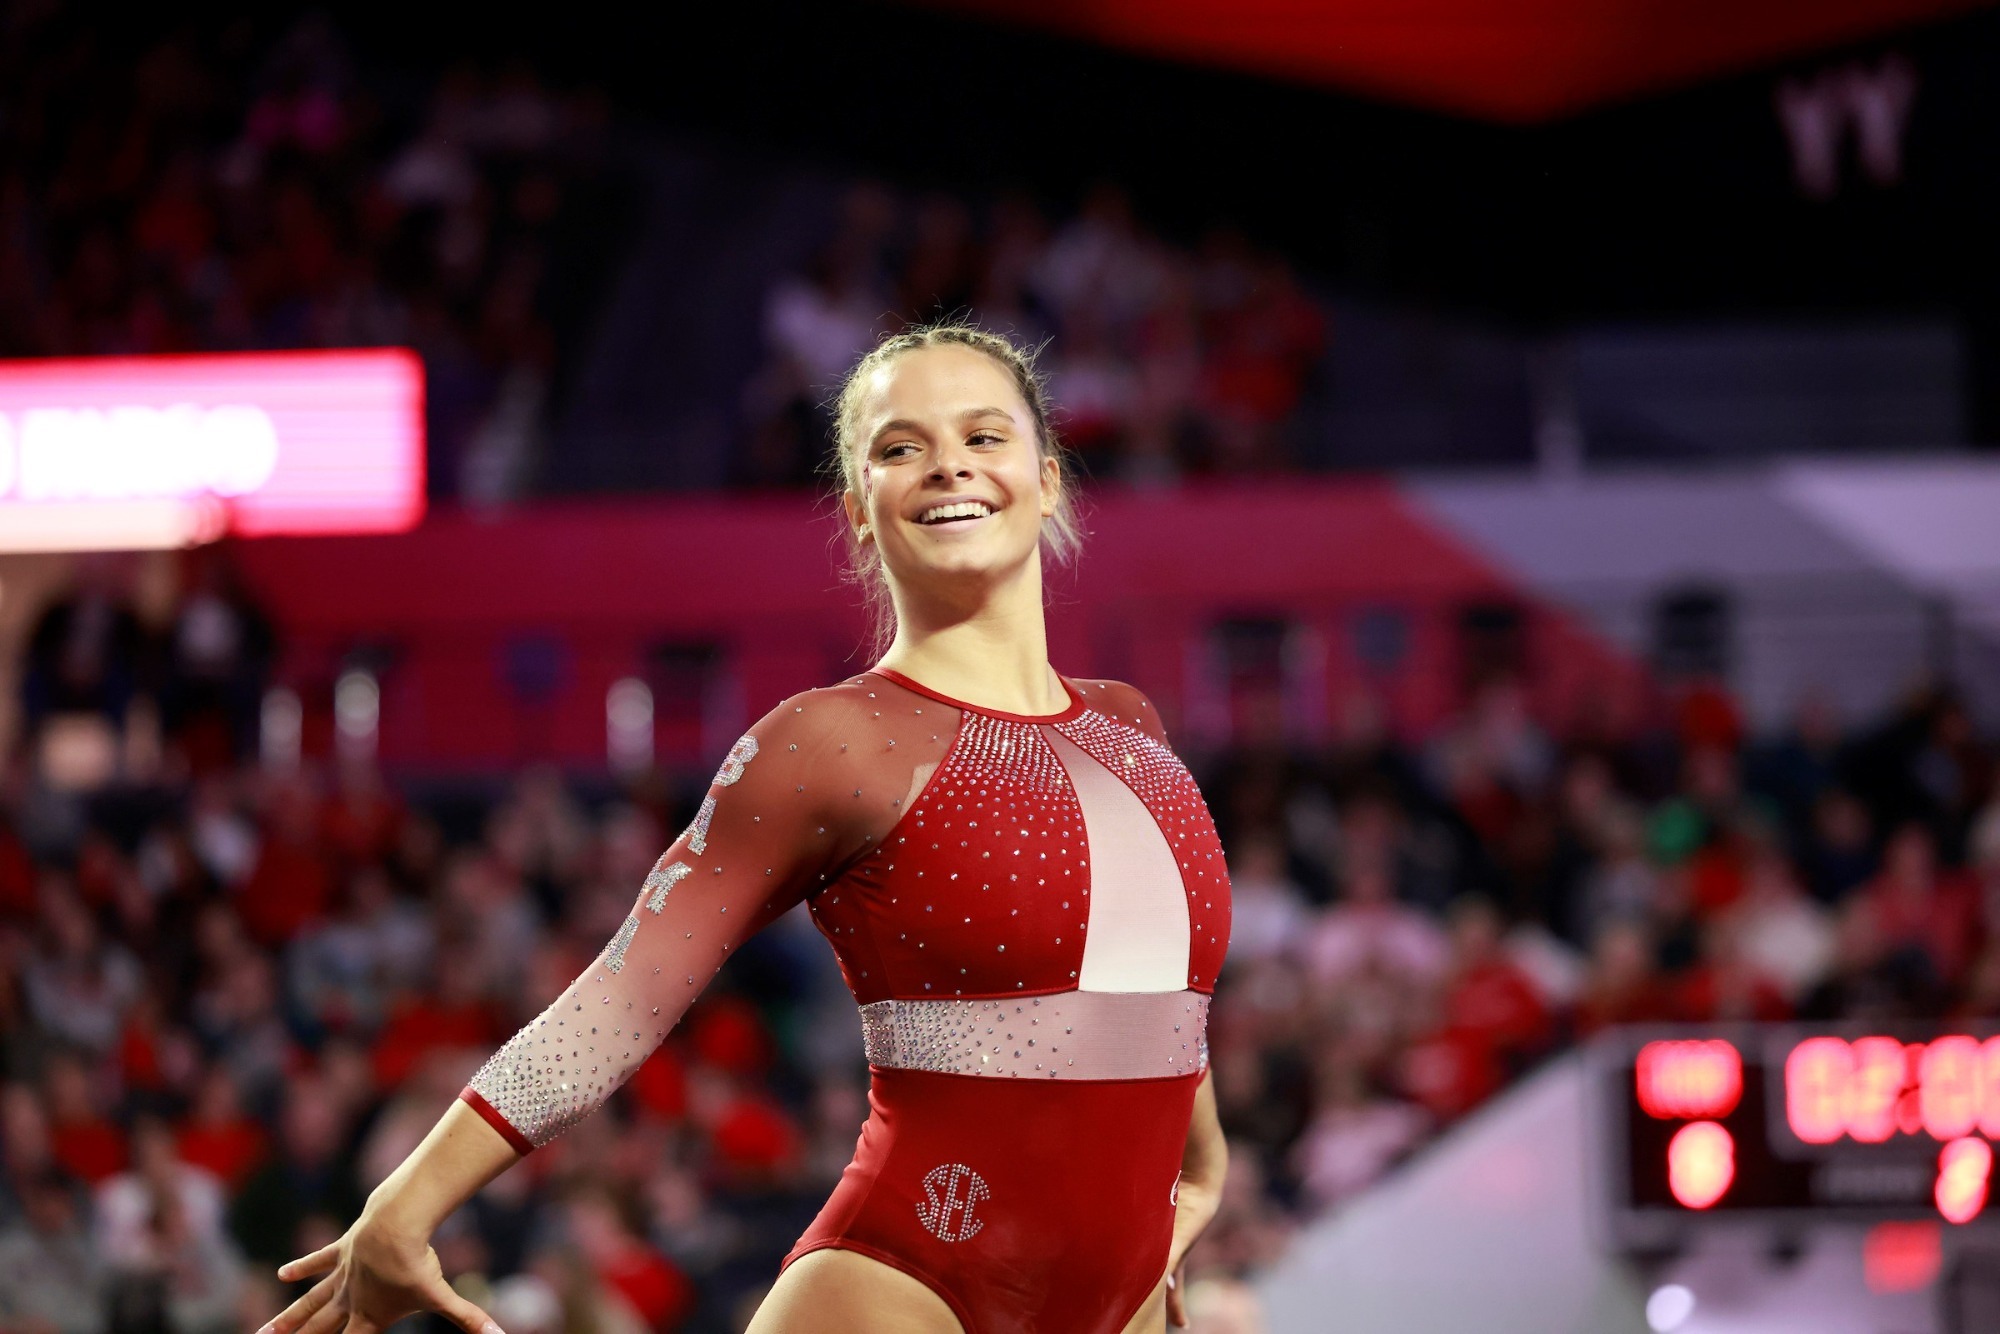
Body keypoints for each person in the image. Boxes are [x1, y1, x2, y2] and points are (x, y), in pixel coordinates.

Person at [256, 325, 1234, 1334]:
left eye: (983, 435)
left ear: (1049, 478)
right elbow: (623, 996)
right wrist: (409, 1200)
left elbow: (1156, 1013)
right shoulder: (832, 740)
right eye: (901, 446)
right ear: (858, 511)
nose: (948, 463)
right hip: (903, 1284)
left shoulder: (1127, 724)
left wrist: (1195, 1178)